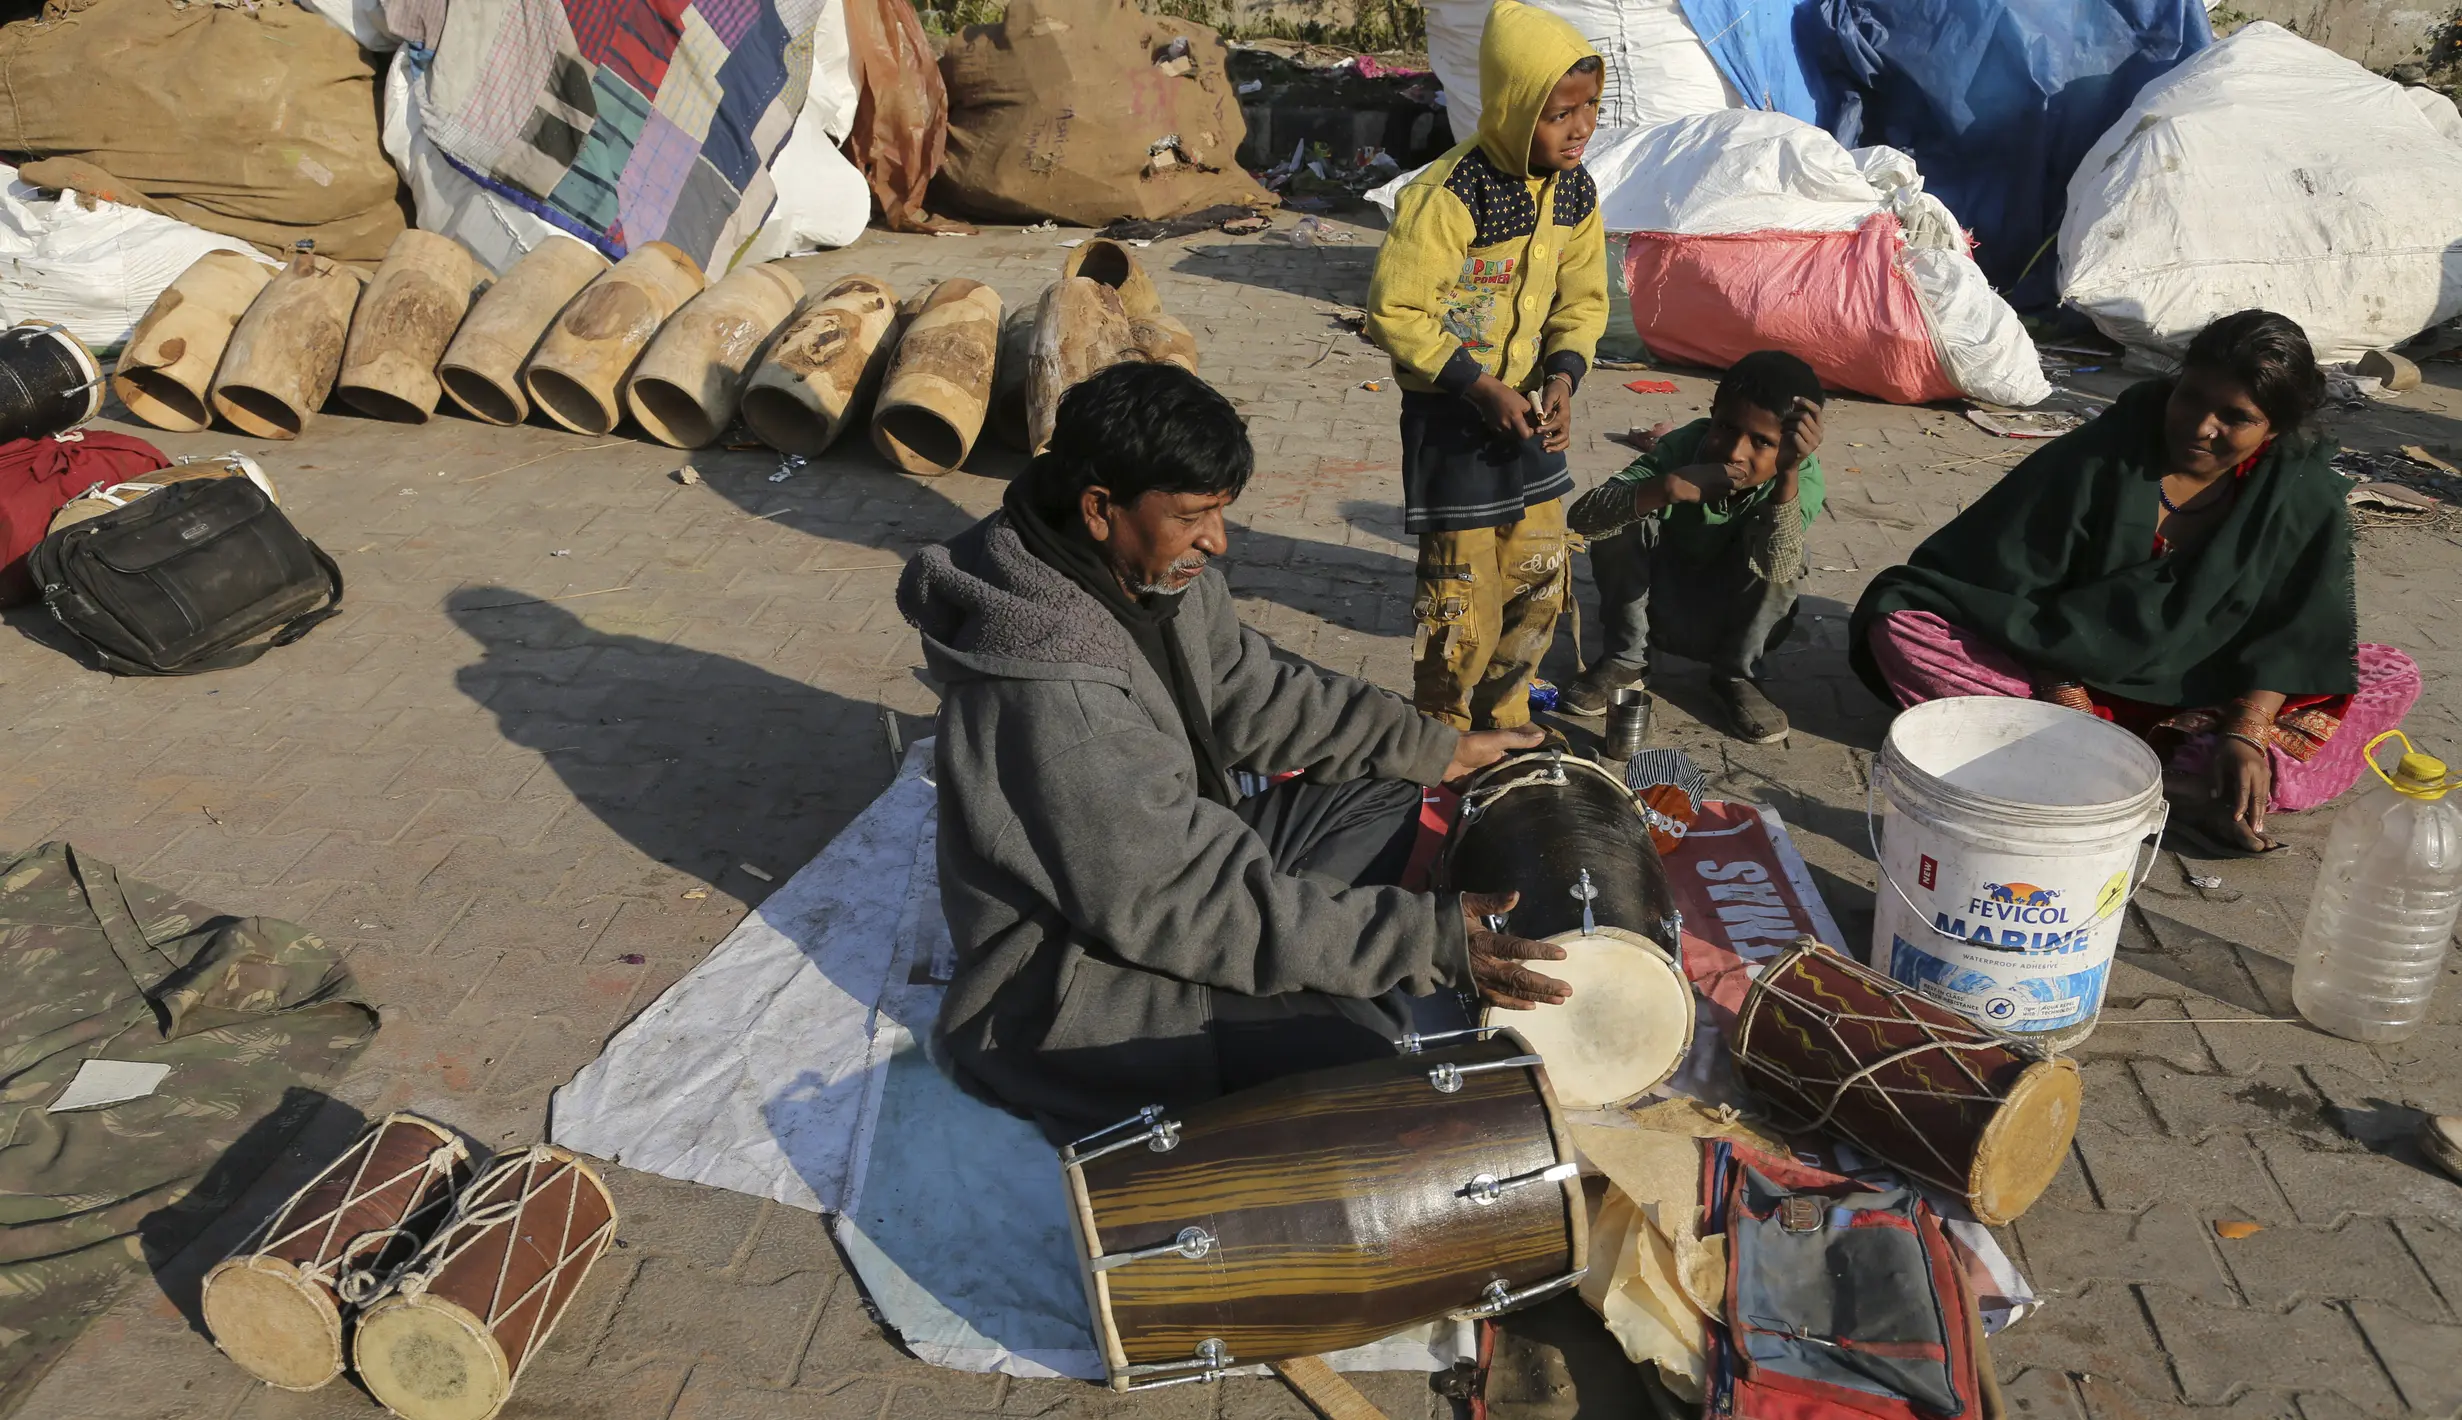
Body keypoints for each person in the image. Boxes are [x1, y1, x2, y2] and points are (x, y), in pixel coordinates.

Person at [896, 362, 1572, 1139]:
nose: (1216, 540)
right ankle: (1299, 975)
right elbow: (1177, 902)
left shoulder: (1150, 570)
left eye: (1222, 510)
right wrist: (1415, 940)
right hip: (1075, 981)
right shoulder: (1056, 692)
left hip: (1166, 866)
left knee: (1388, 786)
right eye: (1195, 515)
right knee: (1359, 1050)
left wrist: (1440, 748)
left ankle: (1299, 953)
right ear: (1097, 509)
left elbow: (1254, 691)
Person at [1848, 309, 2422, 854]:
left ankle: (2136, 771)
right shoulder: (2097, 458)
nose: (2202, 427)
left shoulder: (2303, 494)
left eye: (2236, 417)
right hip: (2066, 681)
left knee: (2391, 674)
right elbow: (2006, 587)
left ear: (2273, 430)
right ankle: (2165, 788)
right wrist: (2061, 694)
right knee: (1901, 625)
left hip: (2210, 689)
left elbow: (2295, 630)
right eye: (2191, 397)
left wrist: (2246, 730)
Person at [1365, 0, 1607, 732]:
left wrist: (1562, 379)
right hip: (1453, 418)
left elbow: (1584, 301)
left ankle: (1505, 720)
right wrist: (1481, 387)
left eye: (1590, 107)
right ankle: (1441, 726)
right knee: (1460, 593)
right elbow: (1396, 312)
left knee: (1538, 575)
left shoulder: (1576, 193)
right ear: (1509, 108)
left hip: (1528, 417)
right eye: (1559, 113)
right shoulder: (1448, 195)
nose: (1580, 128)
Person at [1558, 351, 1827, 743]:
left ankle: (1737, 675)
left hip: (1734, 622)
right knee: (1625, 514)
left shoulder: (1800, 476)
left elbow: (1778, 568)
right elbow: (1582, 519)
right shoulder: (1684, 448)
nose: (1736, 452)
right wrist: (1664, 488)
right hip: (1659, 611)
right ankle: (1626, 659)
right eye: (1727, 428)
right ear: (1713, 409)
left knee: (1789, 554)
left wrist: (1785, 473)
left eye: (1762, 443)